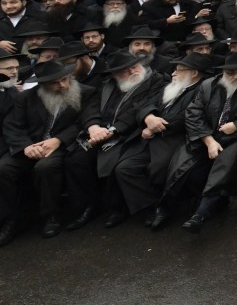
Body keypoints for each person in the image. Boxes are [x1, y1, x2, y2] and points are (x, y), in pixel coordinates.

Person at [64, 50, 168, 229]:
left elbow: (139, 108)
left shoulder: (156, 81)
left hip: (130, 133)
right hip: (99, 132)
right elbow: (91, 107)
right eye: (124, 70)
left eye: (134, 67)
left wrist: (113, 130)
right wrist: (94, 127)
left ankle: (119, 208)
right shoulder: (107, 84)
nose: (132, 72)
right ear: (113, 74)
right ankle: (89, 206)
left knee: (112, 163)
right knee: (75, 160)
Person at [163, 52, 237, 231]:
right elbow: (193, 113)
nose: (236, 77)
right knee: (187, 169)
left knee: (223, 167)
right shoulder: (209, 85)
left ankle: (200, 214)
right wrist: (208, 141)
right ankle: (175, 206)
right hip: (208, 135)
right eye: (231, 73)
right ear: (223, 73)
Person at [0, 58, 90, 242]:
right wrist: (26, 146)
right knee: (4, 168)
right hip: (30, 146)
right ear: (43, 85)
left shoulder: (84, 93)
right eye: (55, 83)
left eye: (65, 79)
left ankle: (51, 215)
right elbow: (13, 126)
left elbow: (82, 123)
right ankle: (10, 219)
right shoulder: (25, 98)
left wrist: (58, 140)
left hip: (61, 146)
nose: (62, 85)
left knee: (45, 167)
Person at [142, 53, 209, 230]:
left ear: (194, 73)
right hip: (153, 135)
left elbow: (186, 117)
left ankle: (163, 207)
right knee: (125, 167)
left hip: (179, 138)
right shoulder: (171, 86)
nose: (173, 74)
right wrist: (149, 117)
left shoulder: (203, 89)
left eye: (179, 70)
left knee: (159, 167)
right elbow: (146, 103)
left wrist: (157, 126)